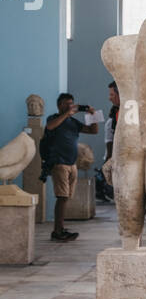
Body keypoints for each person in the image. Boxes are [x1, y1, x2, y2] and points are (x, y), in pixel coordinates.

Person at [44, 93, 99, 242]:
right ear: (59, 105)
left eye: (72, 103)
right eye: (67, 103)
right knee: (61, 197)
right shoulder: (54, 118)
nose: (70, 106)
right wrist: (67, 114)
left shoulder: (73, 123)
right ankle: (57, 231)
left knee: (66, 197)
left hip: (71, 164)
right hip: (59, 163)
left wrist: (92, 116)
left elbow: (93, 131)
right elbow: (50, 127)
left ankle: (60, 228)